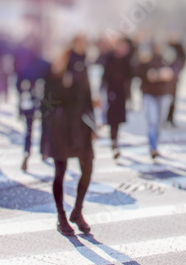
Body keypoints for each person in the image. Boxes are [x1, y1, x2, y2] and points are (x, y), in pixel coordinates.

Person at [42, 34, 97, 237]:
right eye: (80, 42)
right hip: (61, 126)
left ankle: (77, 211)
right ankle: (61, 216)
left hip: (81, 126)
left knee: (88, 167)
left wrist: (93, 126)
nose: (84, 46)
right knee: (60, 171)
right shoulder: (58, 65)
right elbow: (46, 100)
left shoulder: (83, 65)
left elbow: (88, 97)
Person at [136, 40, 177, 160]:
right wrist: (149, 74)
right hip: (149, 94)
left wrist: (170, 73)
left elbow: (177, 67)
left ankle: (155, 145)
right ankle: (153, 147)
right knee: (152, 121)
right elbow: (137, 71)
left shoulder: (168, 57)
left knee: (159, 122)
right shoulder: (145, 57)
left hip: (164, 93)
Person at [14, 35, 48, 172]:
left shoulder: (23, 64)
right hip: (44, 98)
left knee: (29, 128)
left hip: (27, 97)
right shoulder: (43, 63)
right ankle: (43, 151)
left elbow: (18, 85)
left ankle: (27, 151)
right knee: (45, 125)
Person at [99, 36, 134, 160]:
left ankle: (115, 139)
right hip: (111, 92)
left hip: (122, 93)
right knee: (112, 119)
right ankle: (114, 142)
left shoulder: (127, 60)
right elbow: (104, 76)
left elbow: (132, 75)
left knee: (118, 119)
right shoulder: (109, 58)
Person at [165, 34, 186, 126]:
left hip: (174, 78)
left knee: (173, 98)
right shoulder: (165, 45)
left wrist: (176, 72)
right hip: (163, 79)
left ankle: (170, 118)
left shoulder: (179, 47)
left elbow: (183, 60)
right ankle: (163, 118)